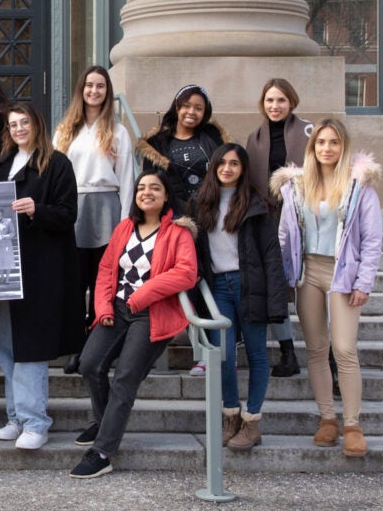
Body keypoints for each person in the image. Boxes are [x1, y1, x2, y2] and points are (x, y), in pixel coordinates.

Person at [70, 171, 198, 478]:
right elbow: (105, 269)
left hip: (151, 314)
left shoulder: (178, 233)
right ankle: (104, 422)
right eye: (141, 187)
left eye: (155, 188)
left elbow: (186, 274)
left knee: (126, 377)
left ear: (166, 196)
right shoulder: (125, 227)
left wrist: (143, 295)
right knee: (89, 364)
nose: (147, 192)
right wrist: (102, 308)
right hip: (116, 309)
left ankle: (102, 452)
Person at [273, 118, 382, 458]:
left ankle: (352, 424)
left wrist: (364, 282)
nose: (327, 148)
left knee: (345, 349)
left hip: (343, 274)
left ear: (343, 147)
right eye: (321, 143)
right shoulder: (296, 187)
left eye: (333, 142)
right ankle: (327, 419)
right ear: (312, 147)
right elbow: (284, 236)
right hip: (308, 273)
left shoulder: (359, 187)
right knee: (317, 349)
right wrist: (285, 277)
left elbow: (372, 240)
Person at [0, 103, 79, 450]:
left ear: (37, 124)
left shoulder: (57, 163)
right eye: (13, 124)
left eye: (24, 122)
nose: (18, 129)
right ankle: (15, 417)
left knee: (29, 348)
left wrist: (36, 211)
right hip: (3, 269)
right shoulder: (1, 164)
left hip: (39, 270)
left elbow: (68, 212)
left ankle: (35, 422)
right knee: (5, 345)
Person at [188, 144, 286, 451]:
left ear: (243, 169)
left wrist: (275, 301)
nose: (227, 168)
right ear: (214, 166)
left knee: (257, 354)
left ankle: (252, 420)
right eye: (222, 163)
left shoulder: (257, 204)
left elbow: (272, 255)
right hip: (218, 287)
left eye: (234, 163)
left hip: (250, 283)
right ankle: (230, 415)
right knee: (224, 356)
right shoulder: (200, 204)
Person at [53, 65, 135, 374]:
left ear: (107, 92)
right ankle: (75, 347)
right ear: (81, 89)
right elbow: (53, 173)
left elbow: (127, 178)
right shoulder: (65, 130)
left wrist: (126, 221)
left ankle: (96, 346)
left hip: (105, 207)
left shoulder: (118, 131)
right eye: (89, 85)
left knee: (103, 284)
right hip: (73, 207)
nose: (94, 91)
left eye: (100, 86)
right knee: (75, 284)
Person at [246, 78, 313, 378]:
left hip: (303, 219)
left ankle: (328, 359)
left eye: (281, 100)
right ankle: (288, 353)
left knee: (308, 289)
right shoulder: (254, 138)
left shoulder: (309, 132)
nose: (275, 106)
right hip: (268, 221)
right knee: (276, 287)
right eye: (270, 100)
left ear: (292, 102)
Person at [137, 84, 231, 215]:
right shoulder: (156, 144)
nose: (191, 112)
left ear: (204, 113)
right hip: (173, 216)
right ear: (177, 107)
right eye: (186, 106)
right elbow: (150, 183)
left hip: (211, 212)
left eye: (198, 108)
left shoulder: (214, 138)